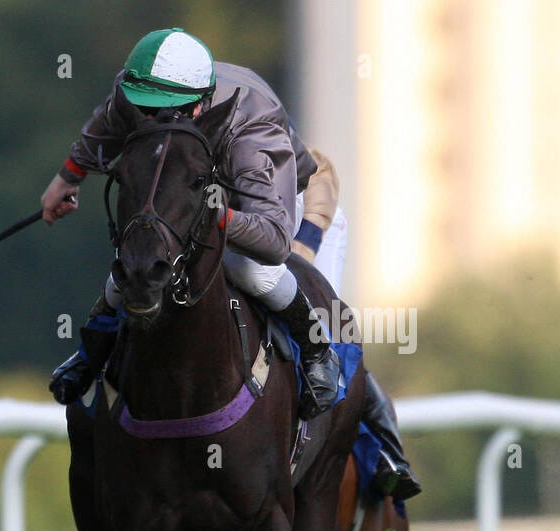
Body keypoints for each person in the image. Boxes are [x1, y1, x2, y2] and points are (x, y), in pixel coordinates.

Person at [42, 27, 419, 500]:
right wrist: (68, 177)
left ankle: (354, 400)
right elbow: (106, 123)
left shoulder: (249, 124)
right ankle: (90, 352)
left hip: (286, 211)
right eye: (145, 108)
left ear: (199, 105)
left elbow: (273, 241)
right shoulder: (141, 89)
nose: (154, 118)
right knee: (135, 265)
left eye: (168, 112)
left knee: (253, 274)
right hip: (200, 203)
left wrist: (206, 214)